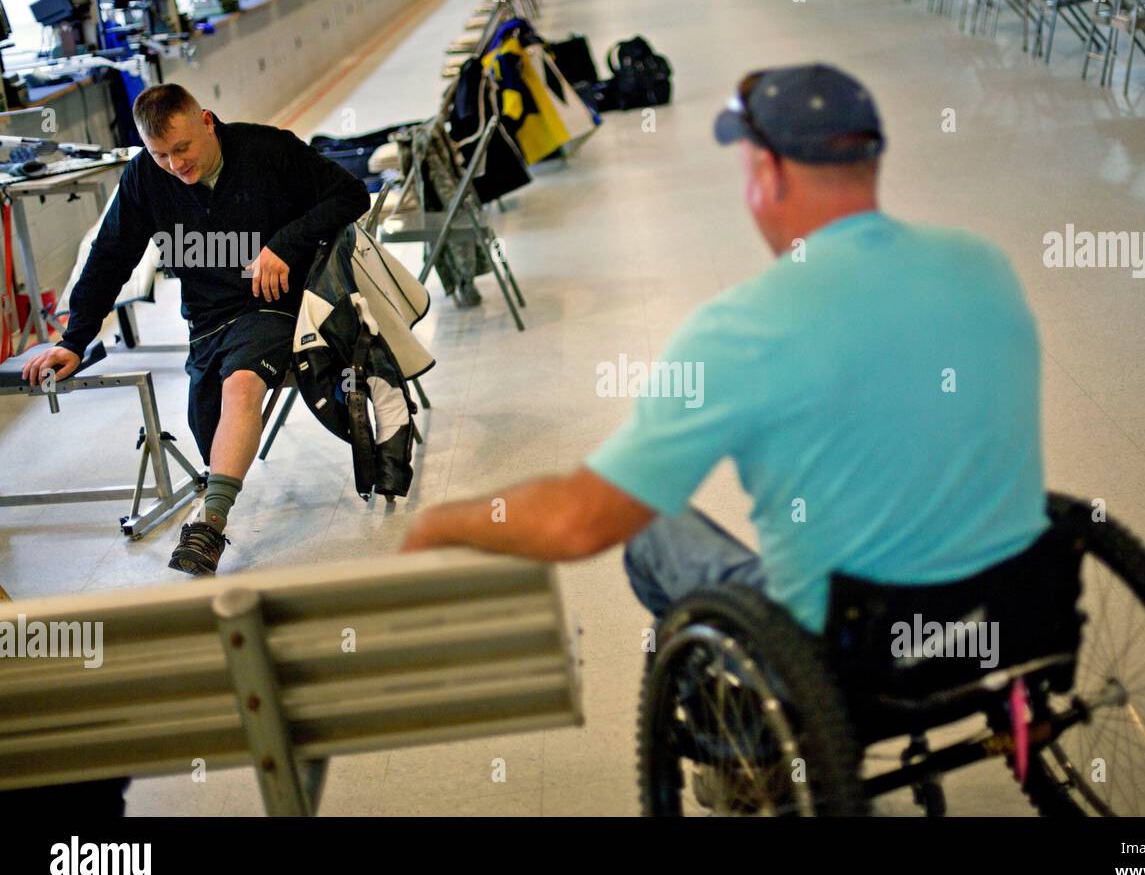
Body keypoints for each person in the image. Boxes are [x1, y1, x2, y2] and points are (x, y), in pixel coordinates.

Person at [400, 63, 1047, 639]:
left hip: (849, 645)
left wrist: (445, 523)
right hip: (1009, 616)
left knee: (653, 532)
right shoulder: (981, 264)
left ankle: (751, 758)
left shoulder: (742, 328)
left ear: (766, 172)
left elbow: (579, 522)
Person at [21, 84, 371, 575]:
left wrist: (286, 243)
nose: (175, 165)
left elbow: (351, 194)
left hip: (272, 307)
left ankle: (207, 528)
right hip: (207, 321)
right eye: (161, 154)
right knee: (211, 435)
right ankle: (219, 489)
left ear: (207, 121)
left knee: (242, 384)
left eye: (182, 148)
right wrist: (74, 339)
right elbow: (111, 255)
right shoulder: (146, 176)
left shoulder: (267, 149)